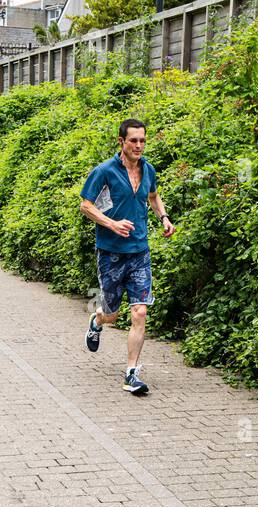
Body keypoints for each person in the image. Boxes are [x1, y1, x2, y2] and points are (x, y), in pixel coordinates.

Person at [78, 118, 175, 395]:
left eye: (143, 140)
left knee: (140, 311)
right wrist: (111, 223)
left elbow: (154, 197)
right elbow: (86, 206)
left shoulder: (148, 170)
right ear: (121, 142)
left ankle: (131, 374)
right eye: (133, 140)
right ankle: (97, 322)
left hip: (139, 252)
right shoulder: (104, 171)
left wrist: (164, 217)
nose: (139, 145)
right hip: (110, 254)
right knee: (112, 314)